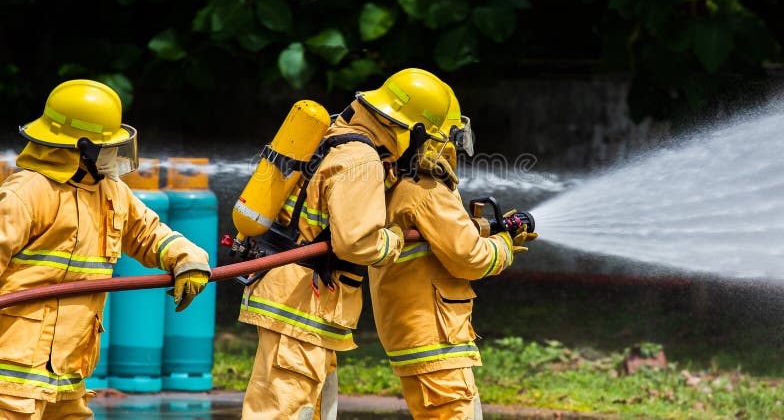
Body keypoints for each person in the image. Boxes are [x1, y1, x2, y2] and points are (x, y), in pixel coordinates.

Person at [239, 68, 454, 419]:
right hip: (302, 303)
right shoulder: (361, 159)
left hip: (292, 292)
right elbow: (356, 243)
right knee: (283, 410)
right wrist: (394, 237)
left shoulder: (338, 135)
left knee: (305, 407)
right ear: (412, 129)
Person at [0, 79, 211, 419]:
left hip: (67, 375)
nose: (114, 155)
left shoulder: (110, 191)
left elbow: (149, 233)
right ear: (80, 148)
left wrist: (188, 259)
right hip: (11, 377)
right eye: (106, 146)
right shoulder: (27, 192)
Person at [369, 90, 536, 419]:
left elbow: (440, 240)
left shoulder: (396, 185)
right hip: (435, 338)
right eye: (452, 137)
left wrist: (481, 228)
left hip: (416, 332)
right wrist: (504, 245)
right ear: (430, 138)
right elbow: (469, 258)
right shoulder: (427, 190)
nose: (455, 148)